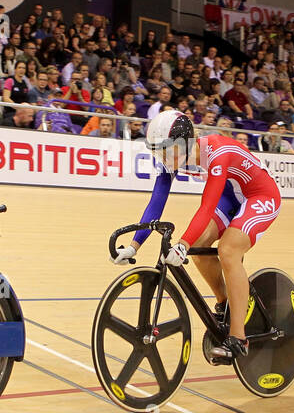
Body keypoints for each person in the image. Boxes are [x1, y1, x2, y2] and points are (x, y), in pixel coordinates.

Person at [111, 110, 282, 364]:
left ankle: (238, 338)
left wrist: (182, 245)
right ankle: (226, 304)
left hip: (260, 195)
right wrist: (134, 246)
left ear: (184, 144)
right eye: (157, 151)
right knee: (200, 248)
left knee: (228, 250)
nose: (162, 158)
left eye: (165, 150)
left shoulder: (217, 152)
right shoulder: (174, 157)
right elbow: (156, 204)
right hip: (230, 196)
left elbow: (207, 206)